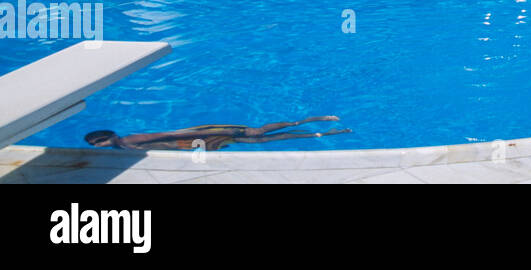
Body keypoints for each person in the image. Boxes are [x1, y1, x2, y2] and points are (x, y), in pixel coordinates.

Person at [84, 116, 351, 151]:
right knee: (260, 139)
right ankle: (317, 135)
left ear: (109, 135)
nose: (98, 145)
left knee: (257, 133)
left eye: (99, 140)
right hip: (195, 141)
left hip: (198, 136)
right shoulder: (120, 149)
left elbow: (165, 135)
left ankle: (308, 121)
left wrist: (213, 134)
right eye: (96, 143)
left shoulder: (129, 141)